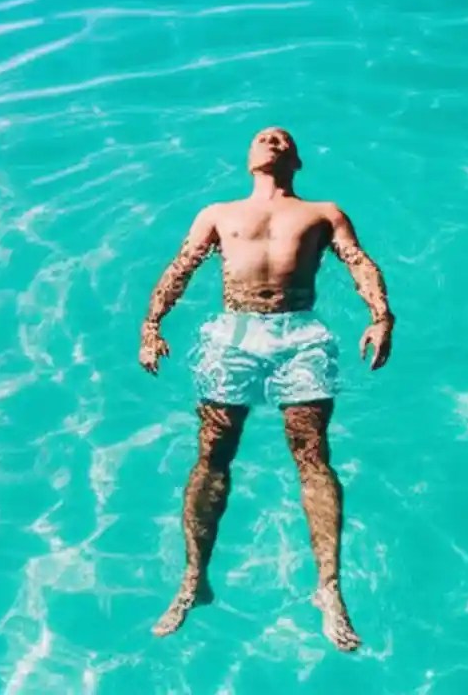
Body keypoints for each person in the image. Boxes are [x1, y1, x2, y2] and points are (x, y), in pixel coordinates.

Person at [137, 126, 395, 652]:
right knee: (213, 453)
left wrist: (381, 314)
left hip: (300, 334)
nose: (273, 141)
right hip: (232, 334)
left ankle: (328, 588)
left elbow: (358, 260)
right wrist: (152, 324)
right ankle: (194, 579)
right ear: (249, 157)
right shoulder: (217, 213)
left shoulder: (324, 212)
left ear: (296, 160)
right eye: (264, 137)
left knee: (312, 455)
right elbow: (181, 266)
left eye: (283, 139)